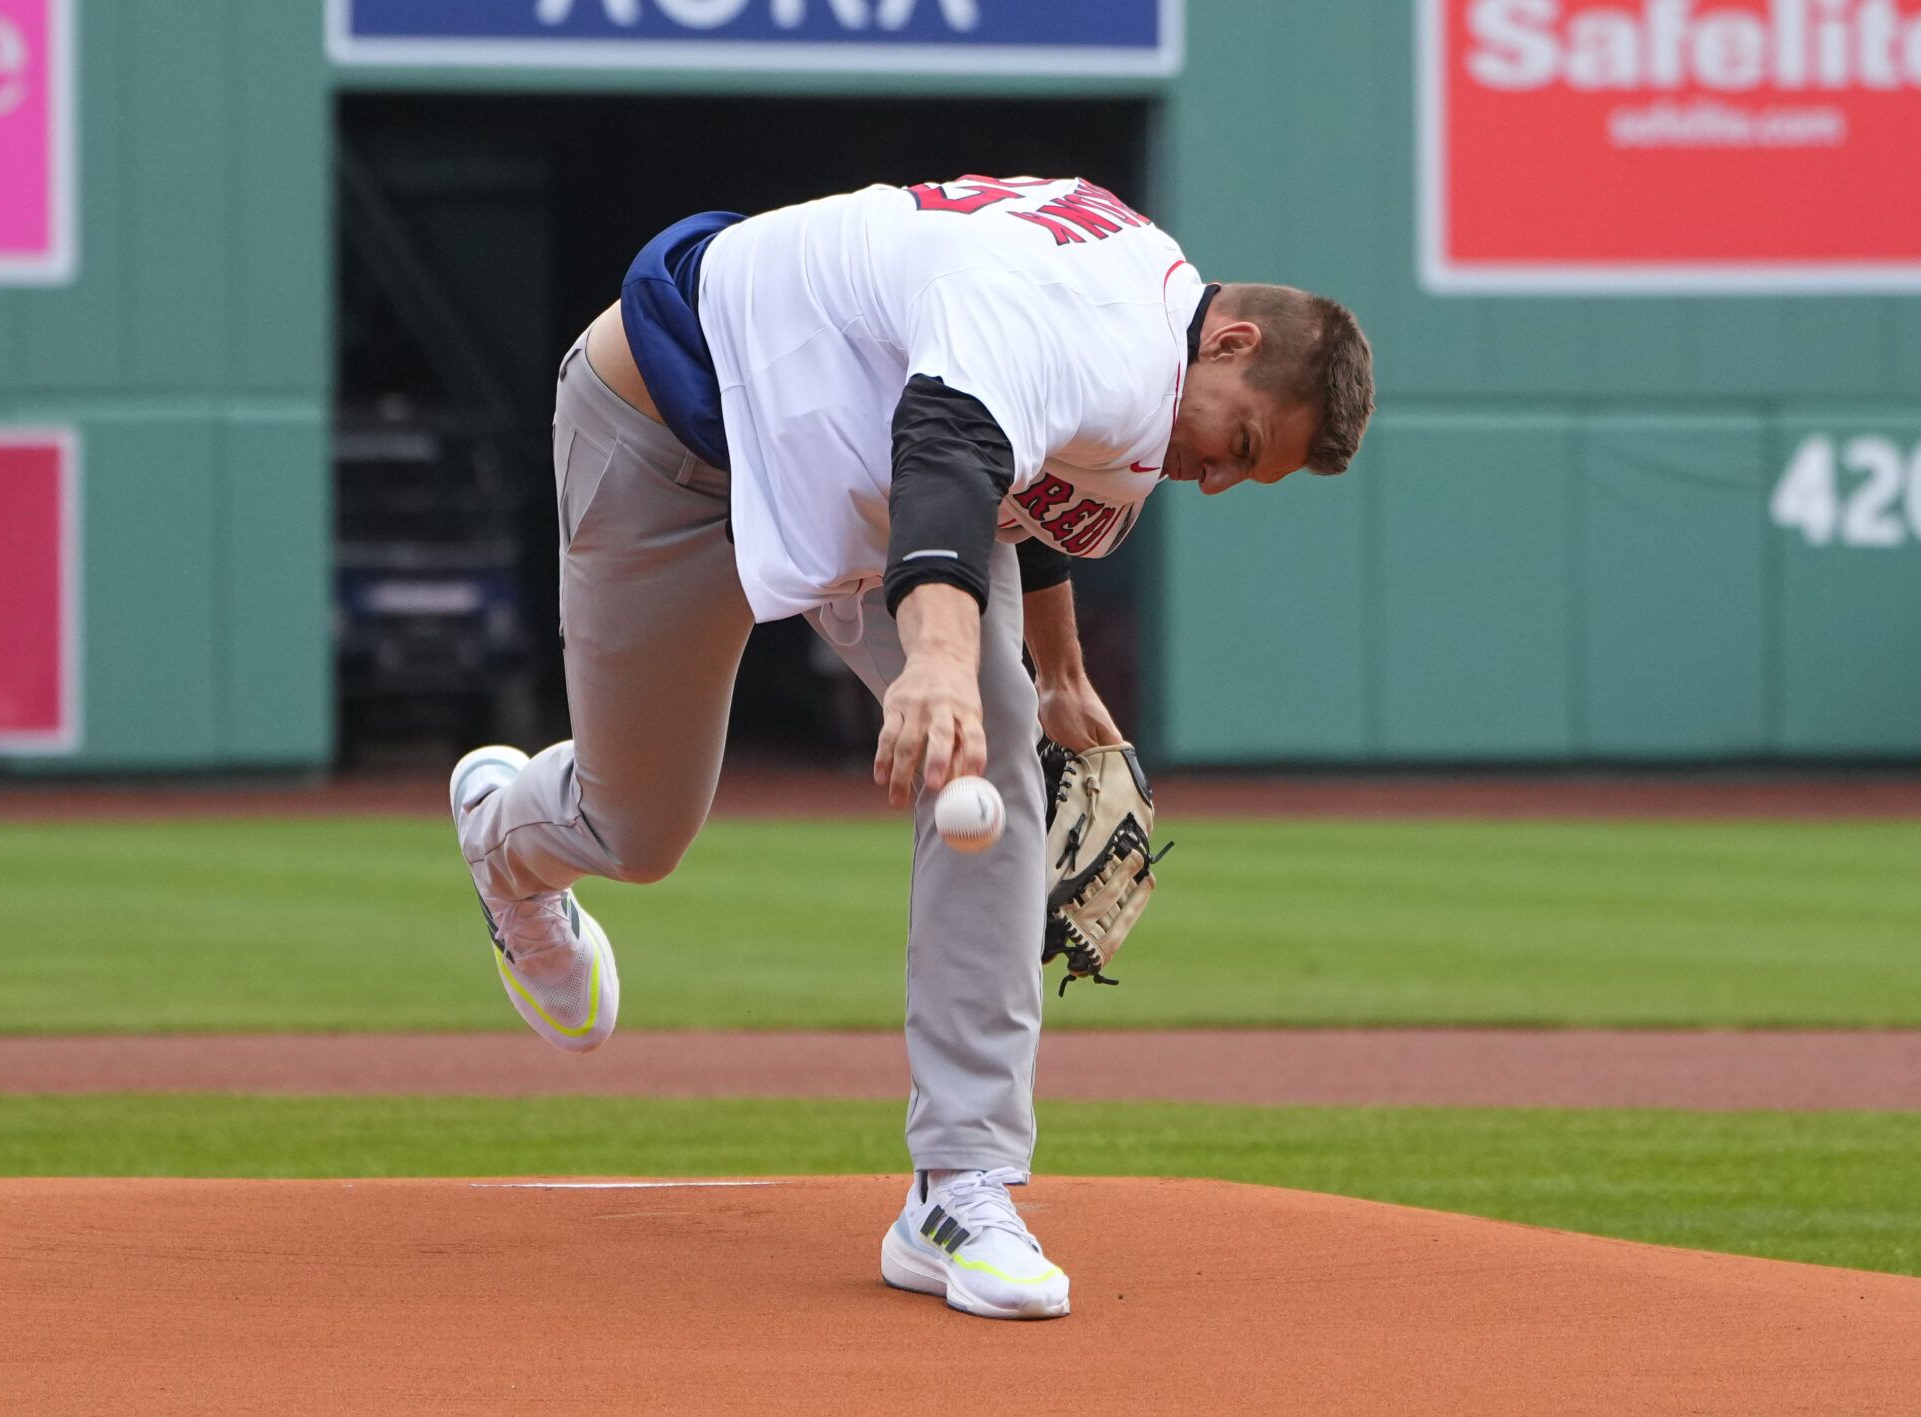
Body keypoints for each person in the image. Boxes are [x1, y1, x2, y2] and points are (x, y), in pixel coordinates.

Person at [447, 175, 1375, 1320]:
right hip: (675, 427)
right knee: (634, 829)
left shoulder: (1150, 340)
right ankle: (506, 839)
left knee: (991, 767)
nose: (1219, 478)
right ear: (1230, 341)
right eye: (1237, 441)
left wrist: (1060, 673)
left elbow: (1017, 485)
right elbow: (949, 442)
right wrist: (935, 660)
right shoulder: (1086, 325)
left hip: (871, 486)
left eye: (1246, 472)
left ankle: (958, 1185)